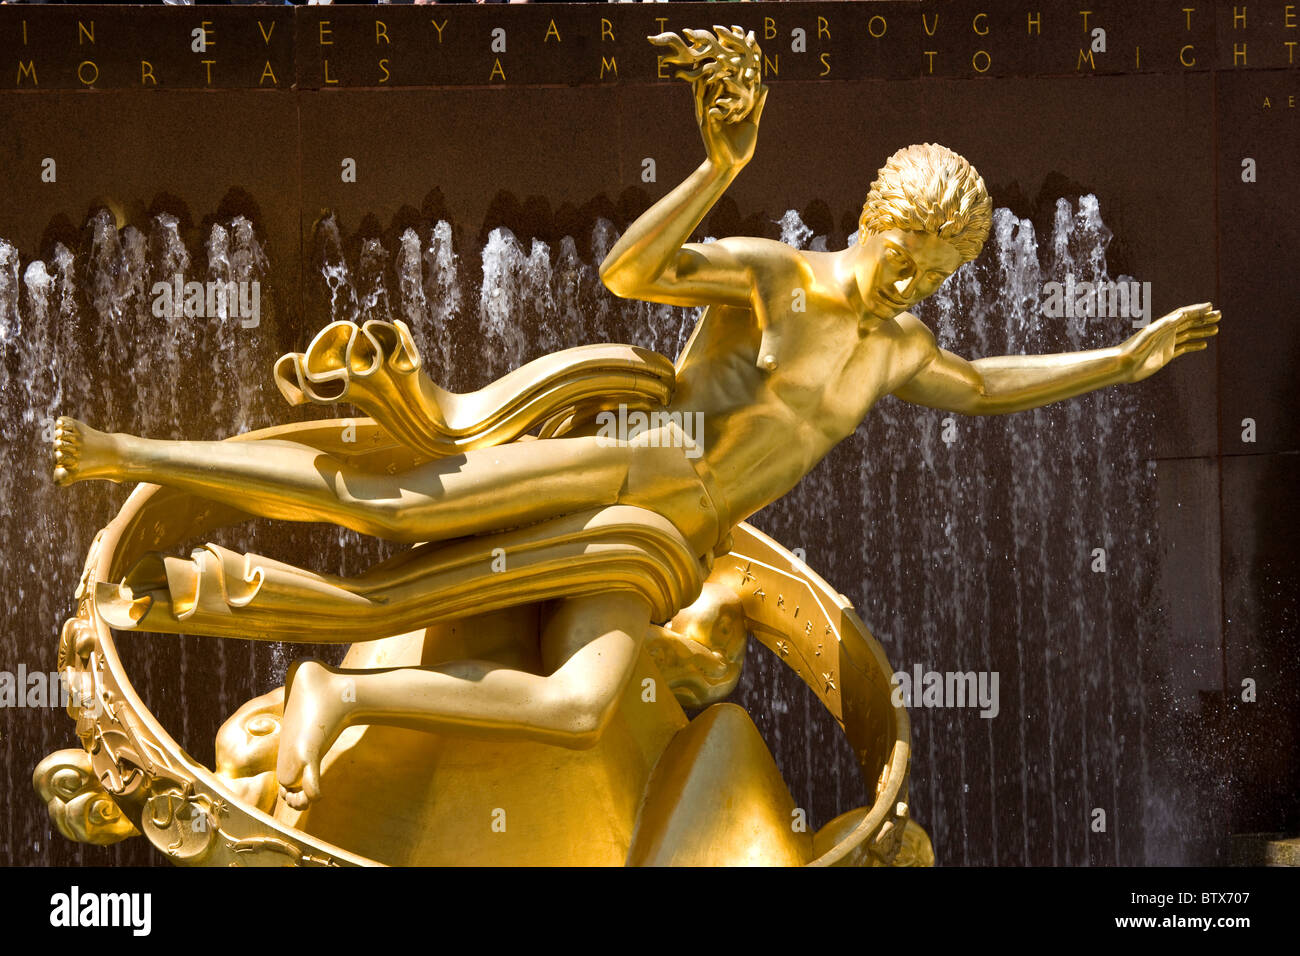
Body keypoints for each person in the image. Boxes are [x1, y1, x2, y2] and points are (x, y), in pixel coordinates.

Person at [54, 27, 1218, 805]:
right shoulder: (779, 275)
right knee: (404, 503)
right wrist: (717, 168)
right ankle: (127, 453)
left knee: (572, 707)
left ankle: (338, 690)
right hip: (635, 463)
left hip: (667, 545)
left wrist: (1118, 358)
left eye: (940, 267)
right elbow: (628, 272)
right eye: (908, 248)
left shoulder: (902, 349)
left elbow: (985, 387)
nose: (914, 278)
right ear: (872, 218)